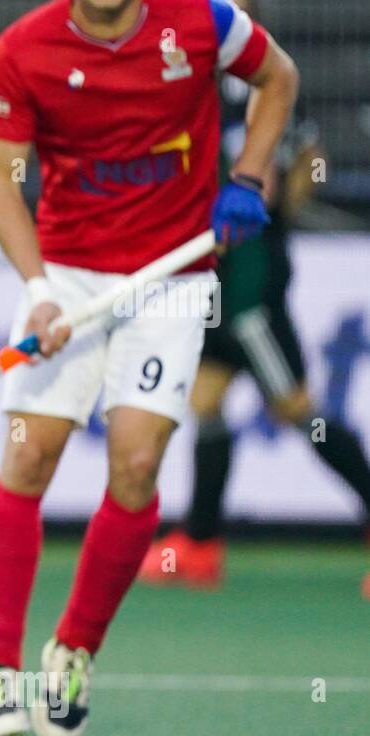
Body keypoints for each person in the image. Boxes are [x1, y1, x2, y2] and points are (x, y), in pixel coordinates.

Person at [0, 0, 298, 736]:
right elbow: (1, 182)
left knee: (138, 463)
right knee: (27, 456)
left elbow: (279, 77)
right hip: (67, 274)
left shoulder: (206, 23)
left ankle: (73, 654)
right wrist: (39, 291)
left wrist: (248, 178)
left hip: (175, 275)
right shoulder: (23, 50)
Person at [139, 0, 370, 592]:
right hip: (209, 285)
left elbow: (308, 160)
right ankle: (200, 542)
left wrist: (282, 203)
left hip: (248, 290)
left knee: (296, 411)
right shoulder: (188, 82)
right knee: (207, 400)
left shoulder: (258, 81)